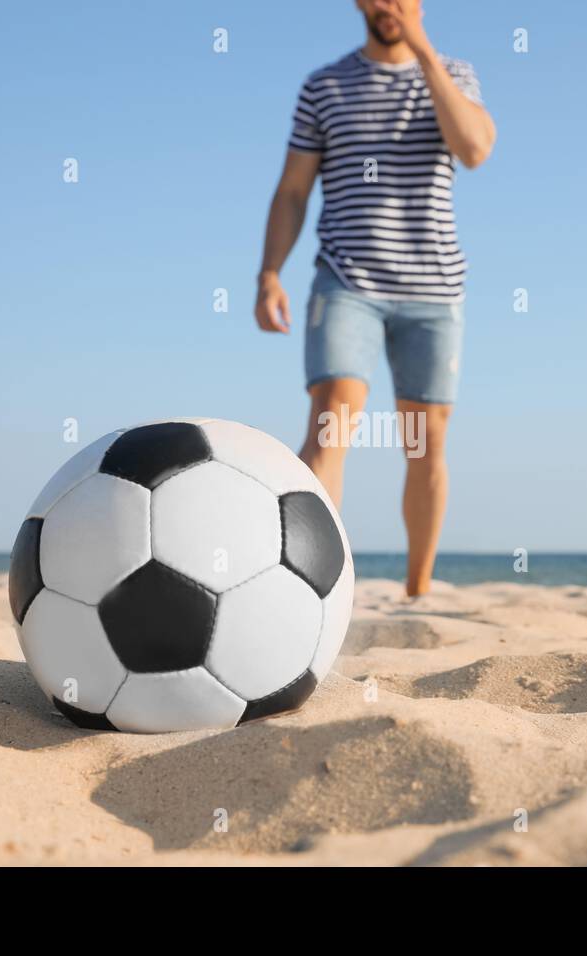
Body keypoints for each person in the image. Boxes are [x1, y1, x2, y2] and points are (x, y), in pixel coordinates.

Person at [253, 0, 496, 597]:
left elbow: (474, 149)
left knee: (426, 437)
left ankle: (417, 590)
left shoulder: (455, 74)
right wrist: (269, 273)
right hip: (346, 277)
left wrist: (422, 49)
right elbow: (292, 190)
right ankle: (311, 585)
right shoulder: (324, 86)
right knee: (333, 418)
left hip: (433, 288)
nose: (388, 4)